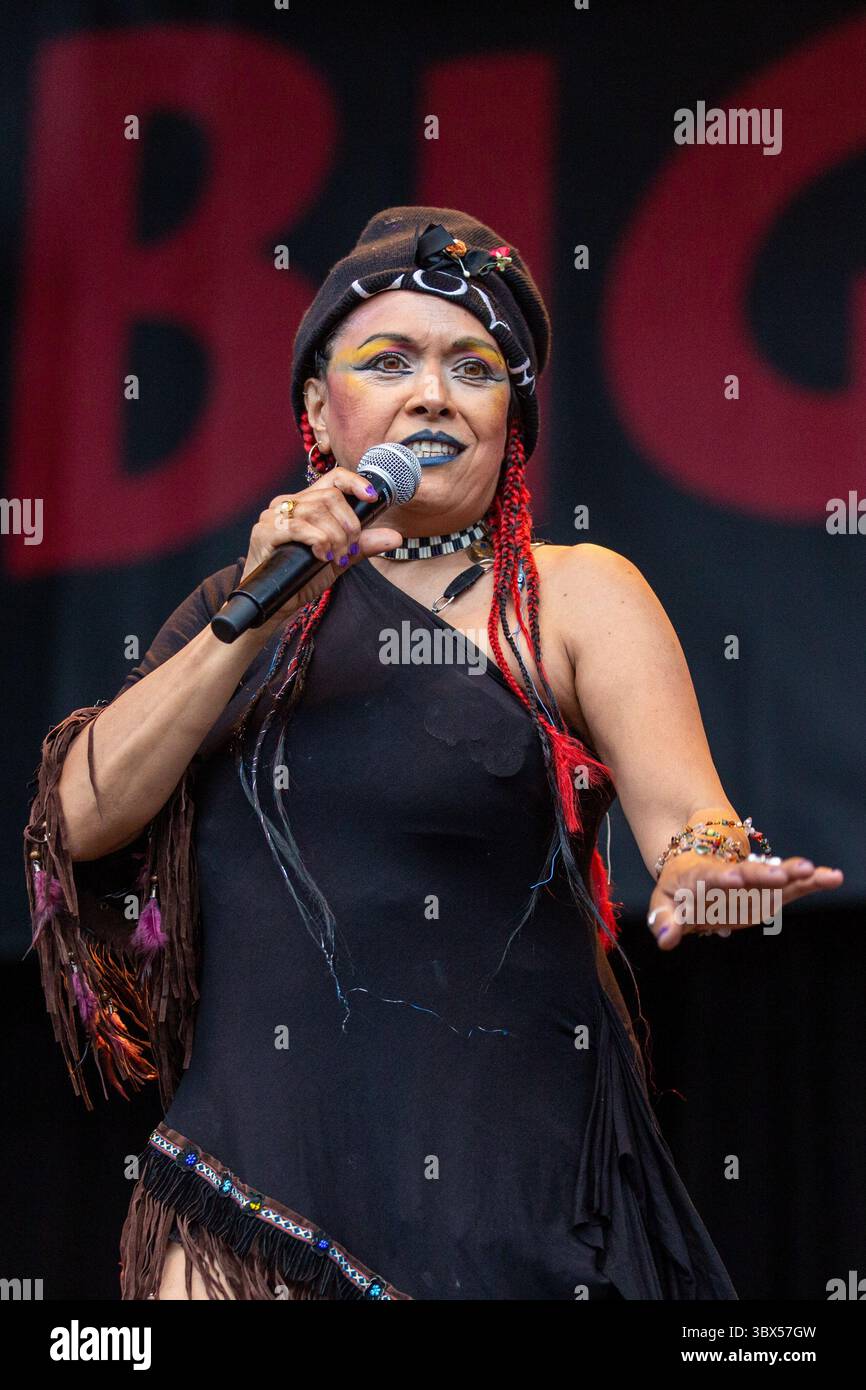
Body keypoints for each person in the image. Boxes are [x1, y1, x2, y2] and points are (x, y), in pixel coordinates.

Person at [23, 207, 843, 1301]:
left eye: (474, 365)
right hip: (246, 1198)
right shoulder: (235, 611)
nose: (431, 394)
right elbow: (76, 821)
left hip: (514, 1195)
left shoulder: (572, 596)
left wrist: (720, 884)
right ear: (318, 406)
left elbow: (692, 836)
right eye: (388, 360)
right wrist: (251, 622)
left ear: (515, 418)